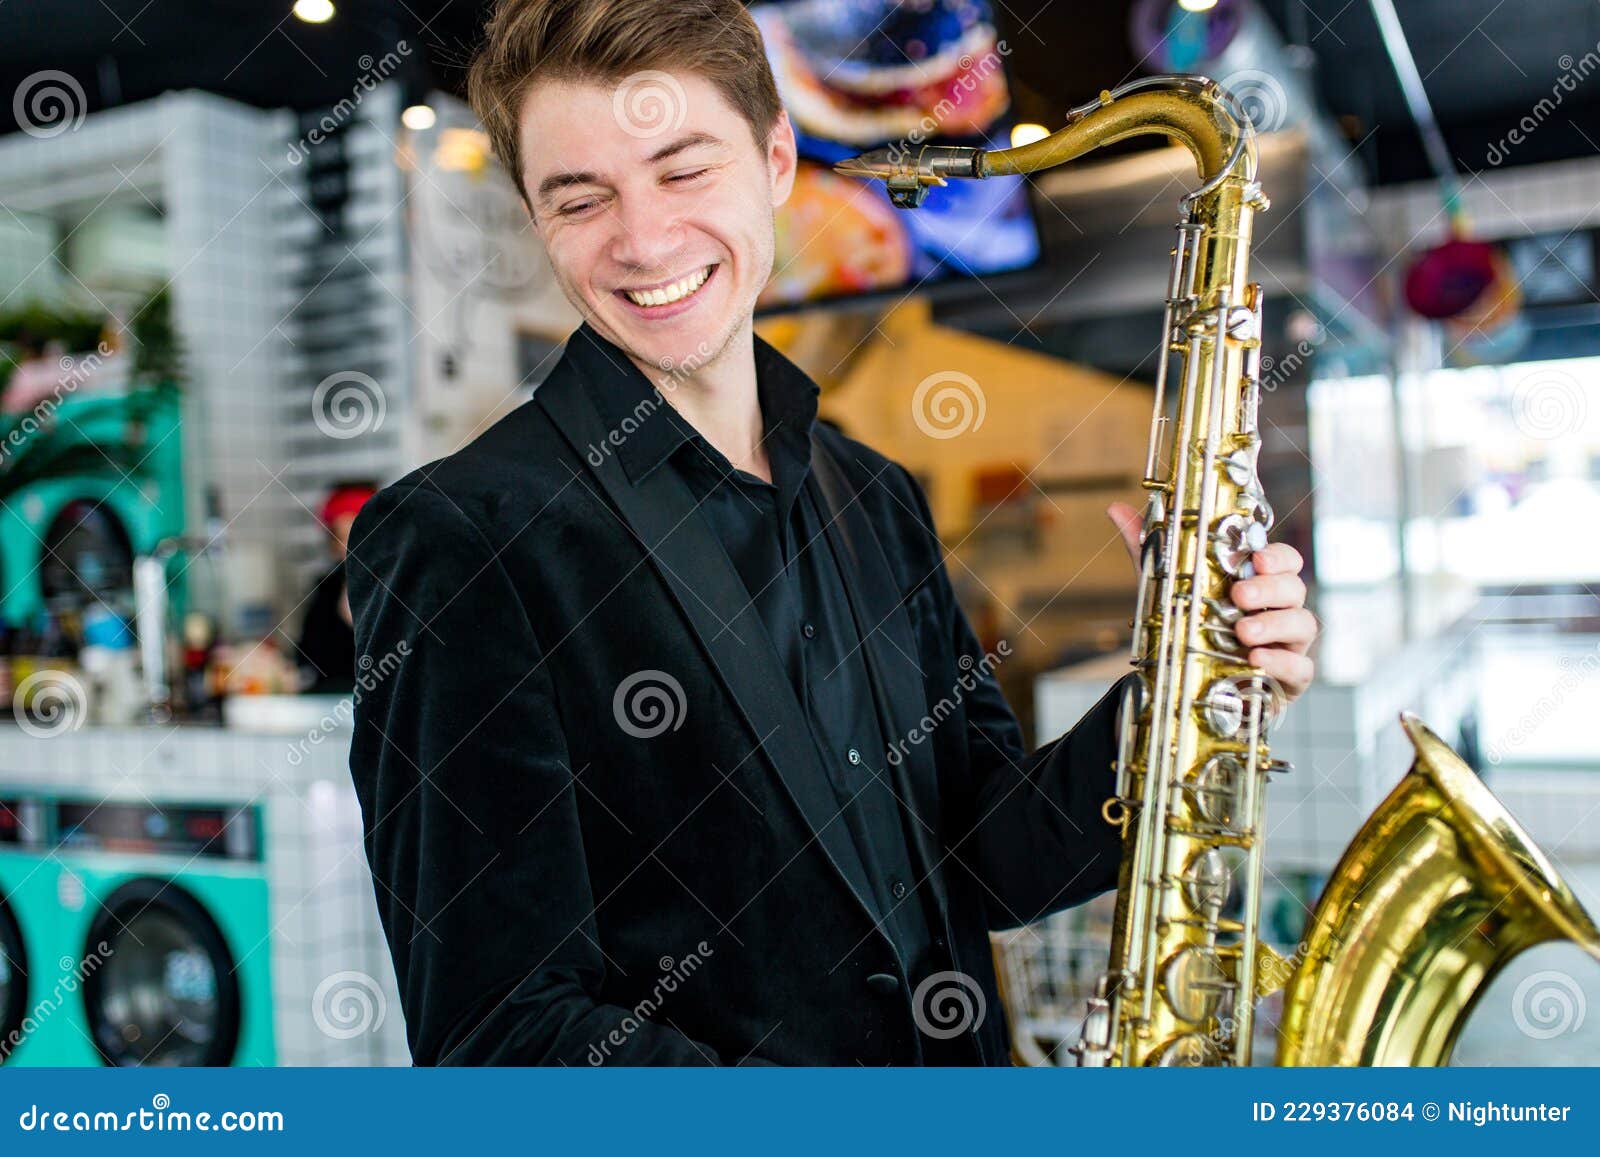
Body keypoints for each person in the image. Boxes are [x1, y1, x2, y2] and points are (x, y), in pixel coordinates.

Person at [345, 0, 1317, 1066]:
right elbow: (501, 1037)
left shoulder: (876, 492)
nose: (644, 238)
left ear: (774, 159)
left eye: (681, 171)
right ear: (538, 218)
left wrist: (1185, 688)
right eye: (582, 199)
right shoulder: (460, 536)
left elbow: (981, 855)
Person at [295, 482, 374, 695]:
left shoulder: (398, 588)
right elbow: (306, 655)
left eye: (356, 534)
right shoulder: (326, 588)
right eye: (341, 536)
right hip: (332, 701)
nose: (348, 546)